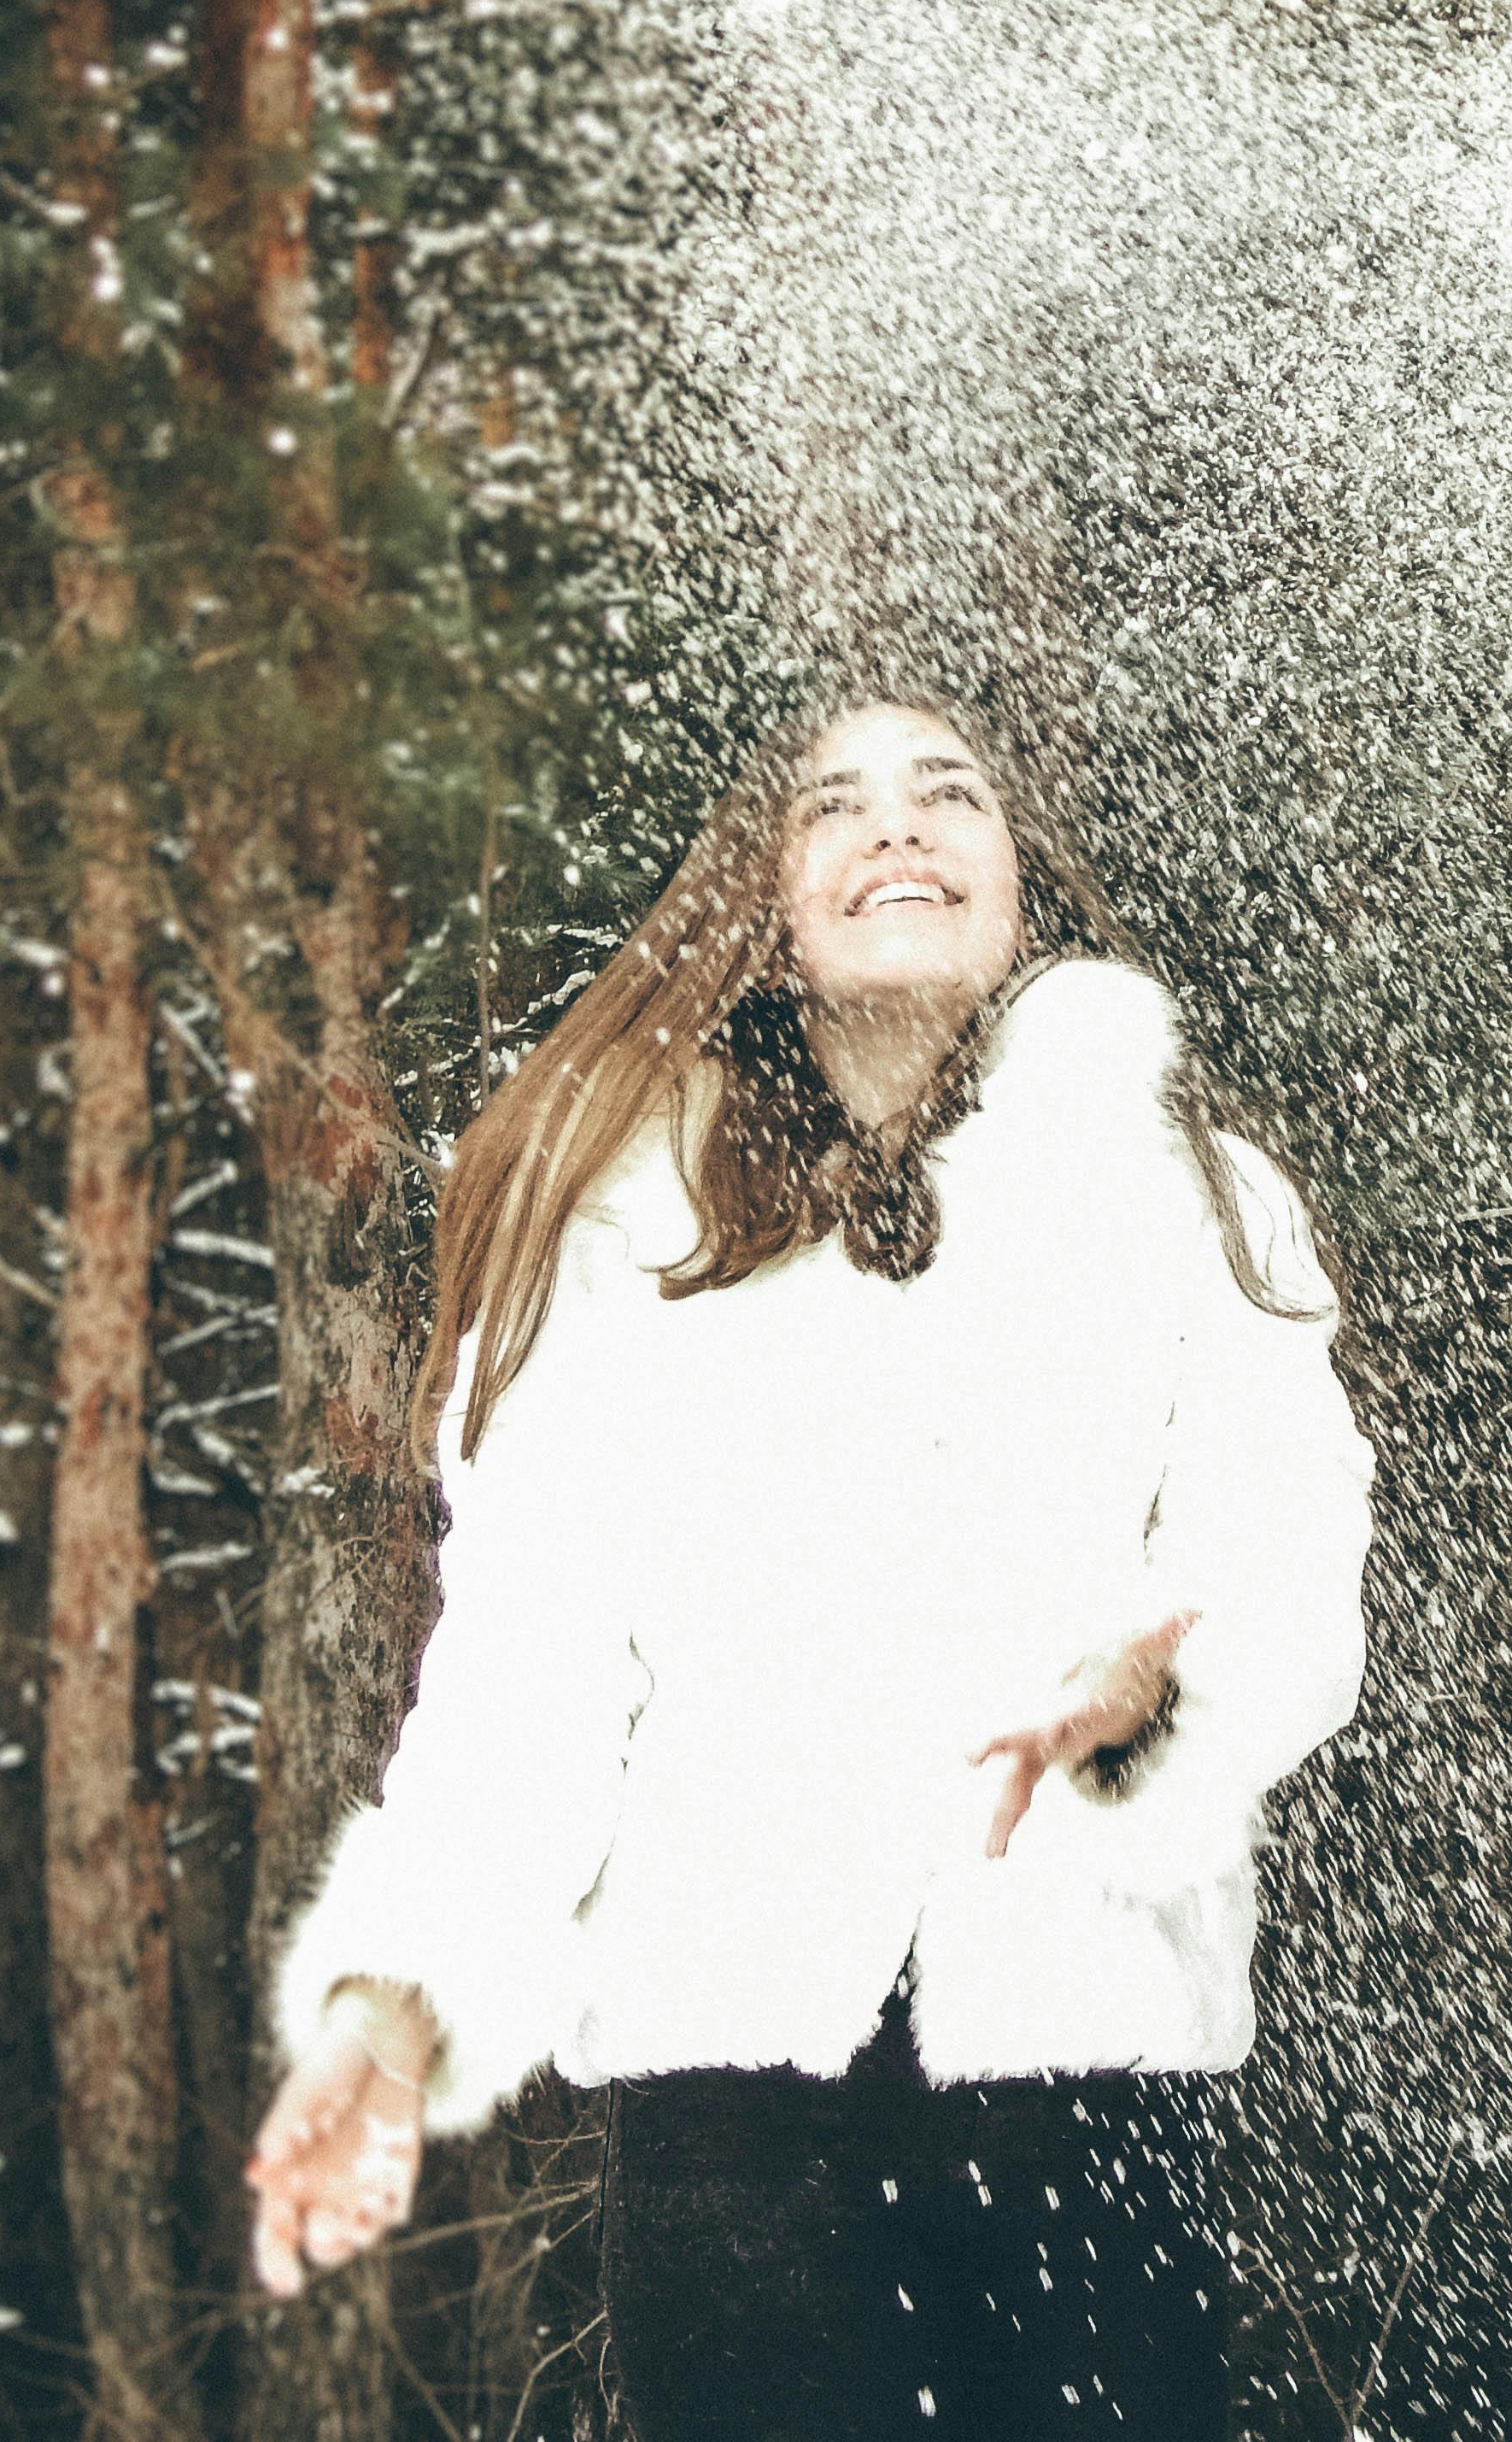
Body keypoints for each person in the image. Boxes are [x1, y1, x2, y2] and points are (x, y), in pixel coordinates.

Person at [245, 691, 1374, 2442]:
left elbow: (1288, 1558)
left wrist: (1160, 1686)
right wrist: (397, 1999)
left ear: (1025, 883)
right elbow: (531, 1666)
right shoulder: (628, 1215)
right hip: (734, 2106)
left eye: (951, 797)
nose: (900, 831)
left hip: (1074, 2065)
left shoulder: (1189, 1195)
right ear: (767, 895)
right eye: (837, 807)